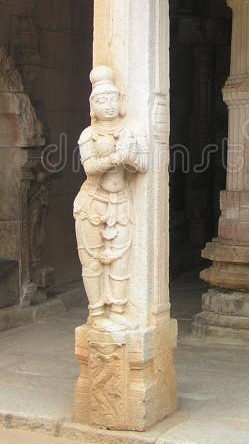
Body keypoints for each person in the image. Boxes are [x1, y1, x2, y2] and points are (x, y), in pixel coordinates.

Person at [73, 66, 147, 331]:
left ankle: (117, 309)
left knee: (120, 260)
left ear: (121, 101)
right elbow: (90, 168)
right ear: (93, 106)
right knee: (93, 262)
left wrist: (129, 157)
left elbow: (144, 164)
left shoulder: (131, 130)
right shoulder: (89, 134)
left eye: (113, 99)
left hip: (121, 202)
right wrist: (115, 157)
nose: (109, 105)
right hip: (92, 203)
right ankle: (97, 313)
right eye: (102, 101)